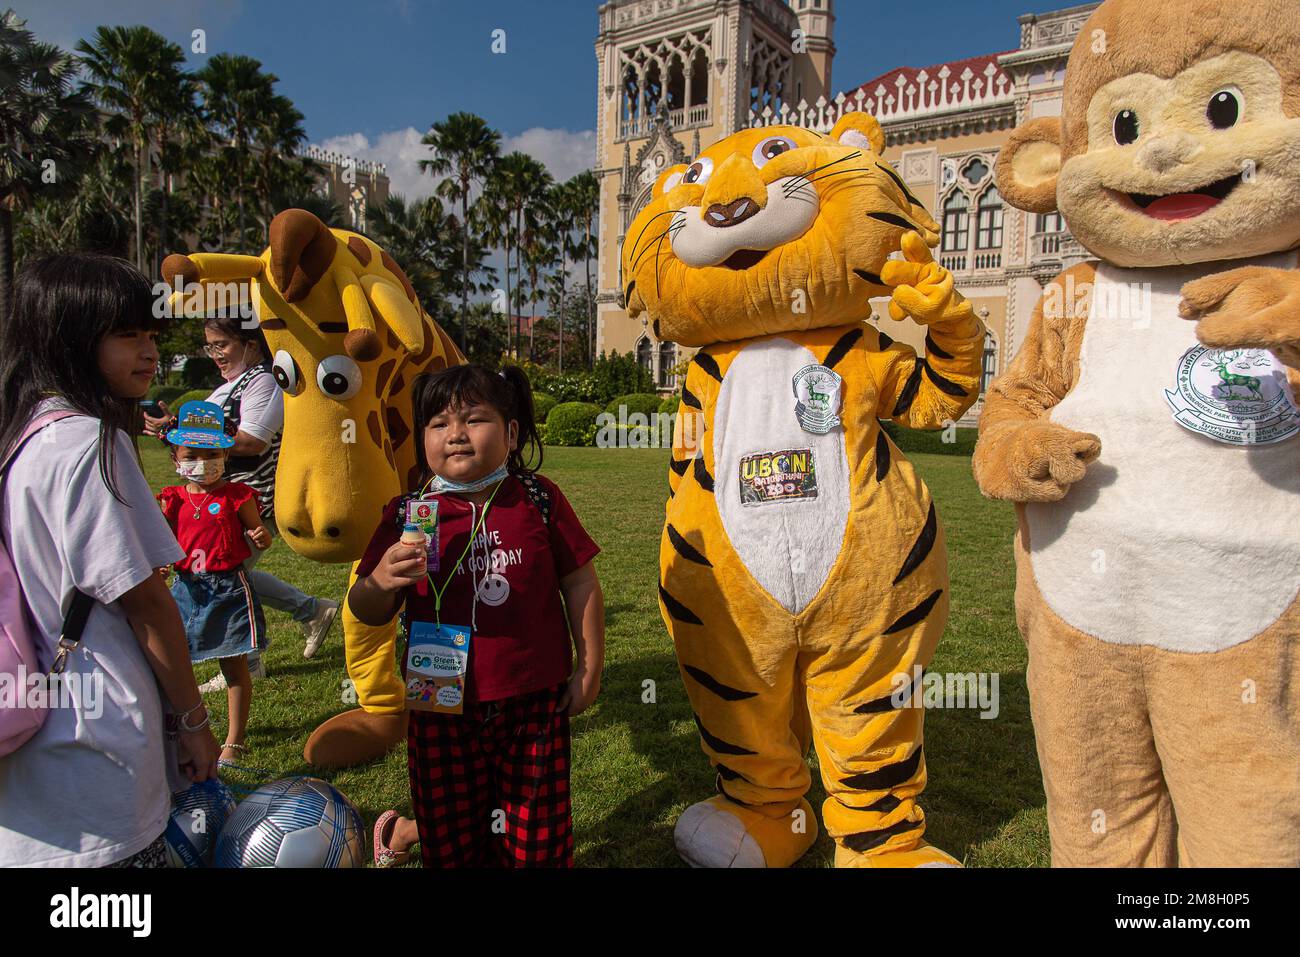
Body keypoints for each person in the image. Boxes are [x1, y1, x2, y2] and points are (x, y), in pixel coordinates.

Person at [0, 253, 220, 867]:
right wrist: (194, 720)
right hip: (97, 760)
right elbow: (148, 604)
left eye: (152, 335)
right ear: (68, 336)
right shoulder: (90, 444)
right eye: (128, 335)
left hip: (29, 762)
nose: (150, 352)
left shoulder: (18, 438)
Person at [349, 364, 605, 867]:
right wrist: (381, 580)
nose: (456, 434)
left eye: (474, 419)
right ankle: (412, 834)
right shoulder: (408, 513)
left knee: (538, 837)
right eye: (439, 423)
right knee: (451, 837)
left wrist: (590, 665)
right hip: (438, 700)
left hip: (534, 702)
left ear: (510, 433)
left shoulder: (538, 498)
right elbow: (366, 607)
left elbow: (580, 581)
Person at [145, 314, 338, 690]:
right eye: (210, 346)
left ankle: (248, 664)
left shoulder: (263, 381)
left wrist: (179, 431)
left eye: (222, 345)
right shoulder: (226, 387)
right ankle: (311, 612)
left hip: (249, 501)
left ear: (251, 344)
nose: (215, 354)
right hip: (217, 504)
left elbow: (253, 441)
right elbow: (203, 441)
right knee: (229, 574)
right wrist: (173, 430)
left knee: (221, 577)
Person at [156, 402, 271, 768]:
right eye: (192, 456)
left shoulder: (237, 496)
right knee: (176, 663)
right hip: (186, 589)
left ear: (223, 454)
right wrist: (160, 565)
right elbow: (162, 540)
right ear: (176, 457)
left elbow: (260, 533)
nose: (202, 464)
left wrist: (259, 535)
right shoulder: (173, 499)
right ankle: (182, 728)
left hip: (227, 591)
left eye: (211, 455)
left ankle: (234, 740)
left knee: (235, 667)